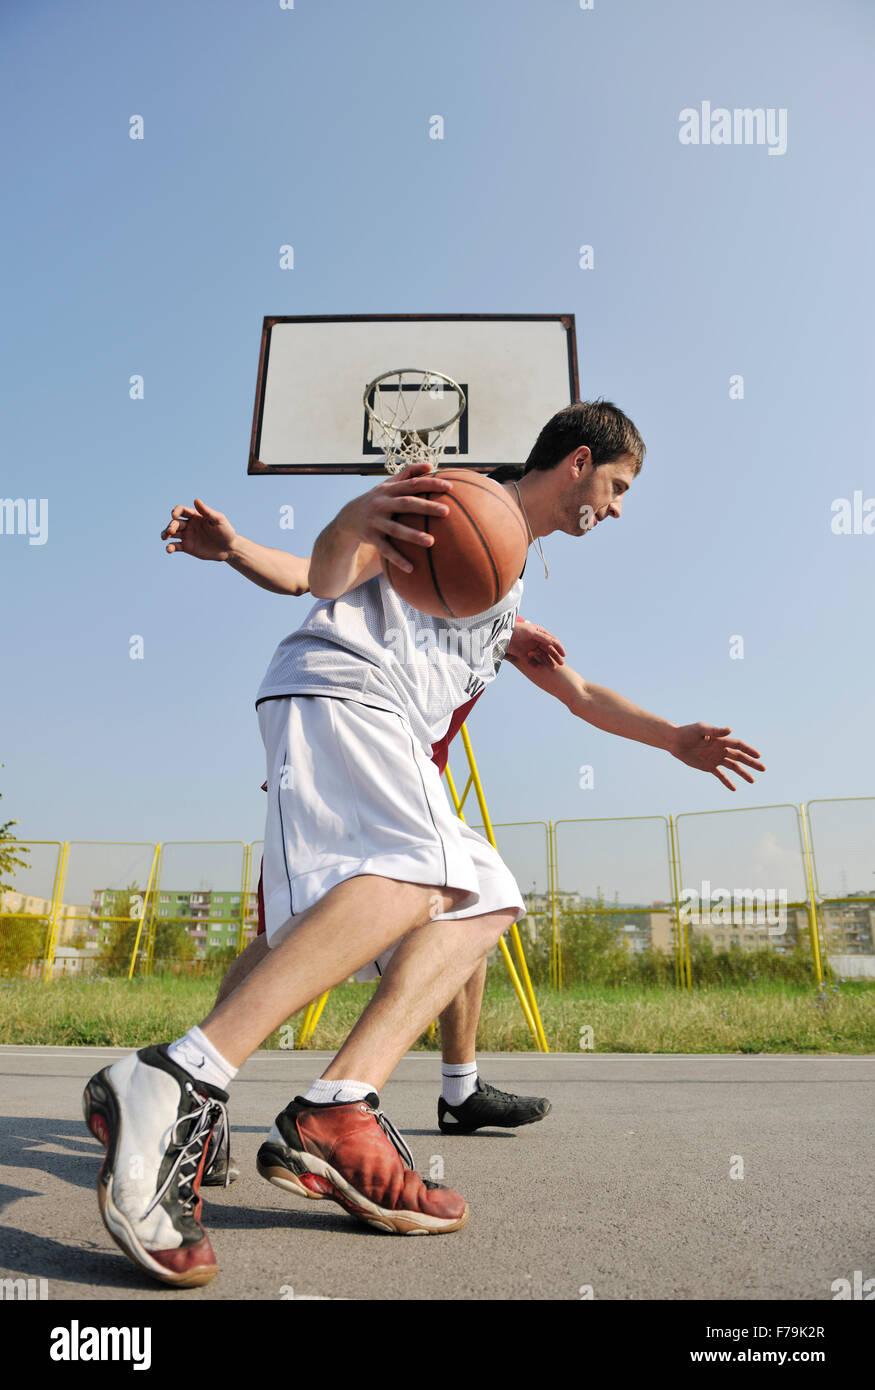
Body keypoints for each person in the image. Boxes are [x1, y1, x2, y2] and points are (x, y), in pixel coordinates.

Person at [82, 401, 764, 1287]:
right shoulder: (454, 503)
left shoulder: (501, 581)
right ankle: (177, 1076)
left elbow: (581, 692)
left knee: (483, 895)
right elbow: (324, 575)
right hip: (342, 690)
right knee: (419, 869)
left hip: (388, 729)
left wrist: (674, 738)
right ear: (579, 461)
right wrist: (328, 522)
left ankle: (338, 1105)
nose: (621, 507)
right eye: (621, 486)